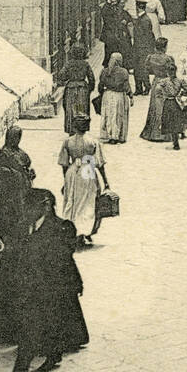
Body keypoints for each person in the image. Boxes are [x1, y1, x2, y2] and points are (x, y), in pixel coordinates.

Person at [12, 189, 89, 372]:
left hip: (52, 288)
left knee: (40, 326)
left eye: (30, 207)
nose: (25, 211)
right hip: (33, 287)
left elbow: (65, 261)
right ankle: (27, 365)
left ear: (45, 206)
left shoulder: (61, 228)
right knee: (34, 326)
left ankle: (28, 365)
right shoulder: (25, 226)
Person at [58, 114, 109, 246]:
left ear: (74, 126)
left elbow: (64, 164)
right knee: (87, 203)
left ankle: (73, 230)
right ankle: (84, 231)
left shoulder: (68, 142)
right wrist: (106, 182)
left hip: (72, 172)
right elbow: (100, 163)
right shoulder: (93, 141)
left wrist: (65, 181)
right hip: (88, 171)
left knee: (72, 201)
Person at [0, 125, 35, 246]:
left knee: (21, 215)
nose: (17, 139)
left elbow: (28, 165)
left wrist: (30, 172)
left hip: (22, 191)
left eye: (19, 137)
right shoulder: (2, 153)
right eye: (15, 137)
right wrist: (16, 174)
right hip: (8, 193)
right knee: (6, 216)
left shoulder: (21, 153)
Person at [141, 56, 185, 144]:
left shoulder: (150, 58)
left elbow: (146, 70)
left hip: (157, 81)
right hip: (168, 82)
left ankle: (153, 133)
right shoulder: (169, 59)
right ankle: (168, 133)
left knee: (155, 107)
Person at [54, 42, 95, 133]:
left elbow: (61, 76)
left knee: (70, 109)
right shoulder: (85, 64)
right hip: (82, 90)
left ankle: (71, 129)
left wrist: (67, 80)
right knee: (80, 109)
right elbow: (91, 78)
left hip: (71, 89)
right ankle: (81, 129)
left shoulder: (69, 64)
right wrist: (89, 89)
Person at [98, 51, 133, 143]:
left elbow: (100, 86)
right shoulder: (123, 72)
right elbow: (126, 86)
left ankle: (108, 135)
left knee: (108, 115)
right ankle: (117, 136)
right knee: (118, 115)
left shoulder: (105, 71)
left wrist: (102, 93)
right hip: (119, 96)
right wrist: (131, 95)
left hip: (108, 95)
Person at [99, 0, 133, 68]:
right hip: (110, 35)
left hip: (119, 34)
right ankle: (108, 66)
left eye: (115, 1)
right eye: (112, 1)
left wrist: (126, 21)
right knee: (109, 51)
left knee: (123, 49)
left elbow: (128, 17)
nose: (114, 3)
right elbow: (104, 14)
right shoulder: (107, 9)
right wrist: (108, 2)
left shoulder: (119, 9)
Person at [131, 0, 157, 95]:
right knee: (137, 68)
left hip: (143, 48)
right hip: (138, 48)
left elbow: (149, 36)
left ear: (138, 8)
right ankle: (138, 88)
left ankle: (146, 87)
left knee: (142, 68)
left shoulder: (145, 20)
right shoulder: (141, 18)